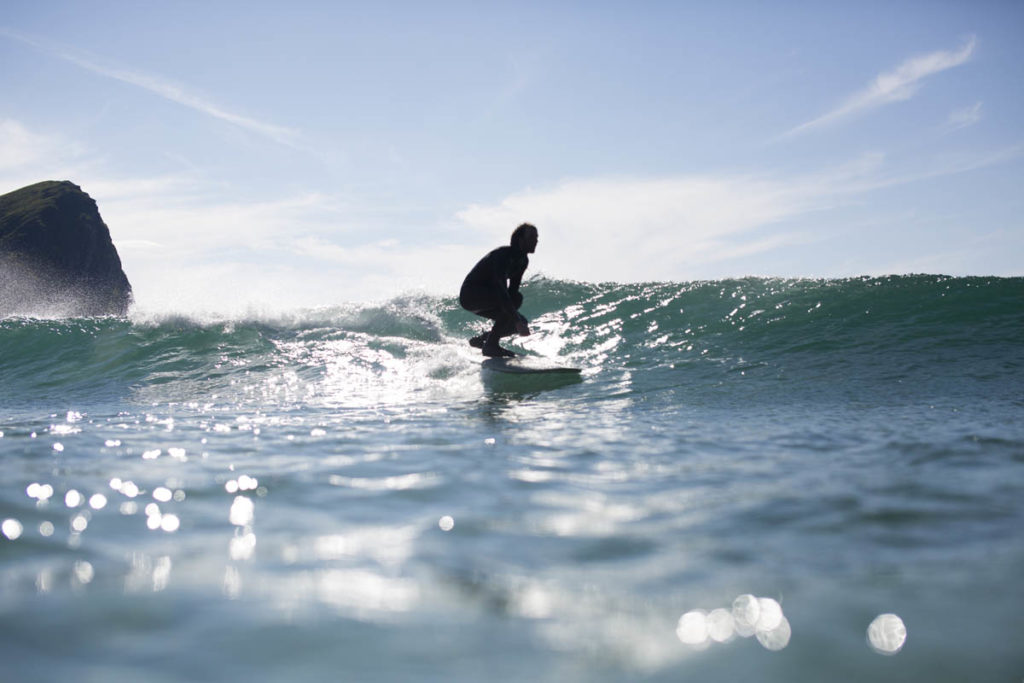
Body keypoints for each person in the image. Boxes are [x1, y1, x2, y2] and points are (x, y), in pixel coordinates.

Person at [459, 223, 538, 357]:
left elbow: (512, 290)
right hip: (471, 295)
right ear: (520, 240)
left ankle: (483, 340)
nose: (535, 241)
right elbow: (500, 288)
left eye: (536, 237)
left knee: (519, 316)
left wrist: (517, 321)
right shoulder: (502, 255)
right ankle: (491, 345)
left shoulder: (522, 260)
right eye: (531, 237)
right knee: (514, 305)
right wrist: (516, 319)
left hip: (490, 296)